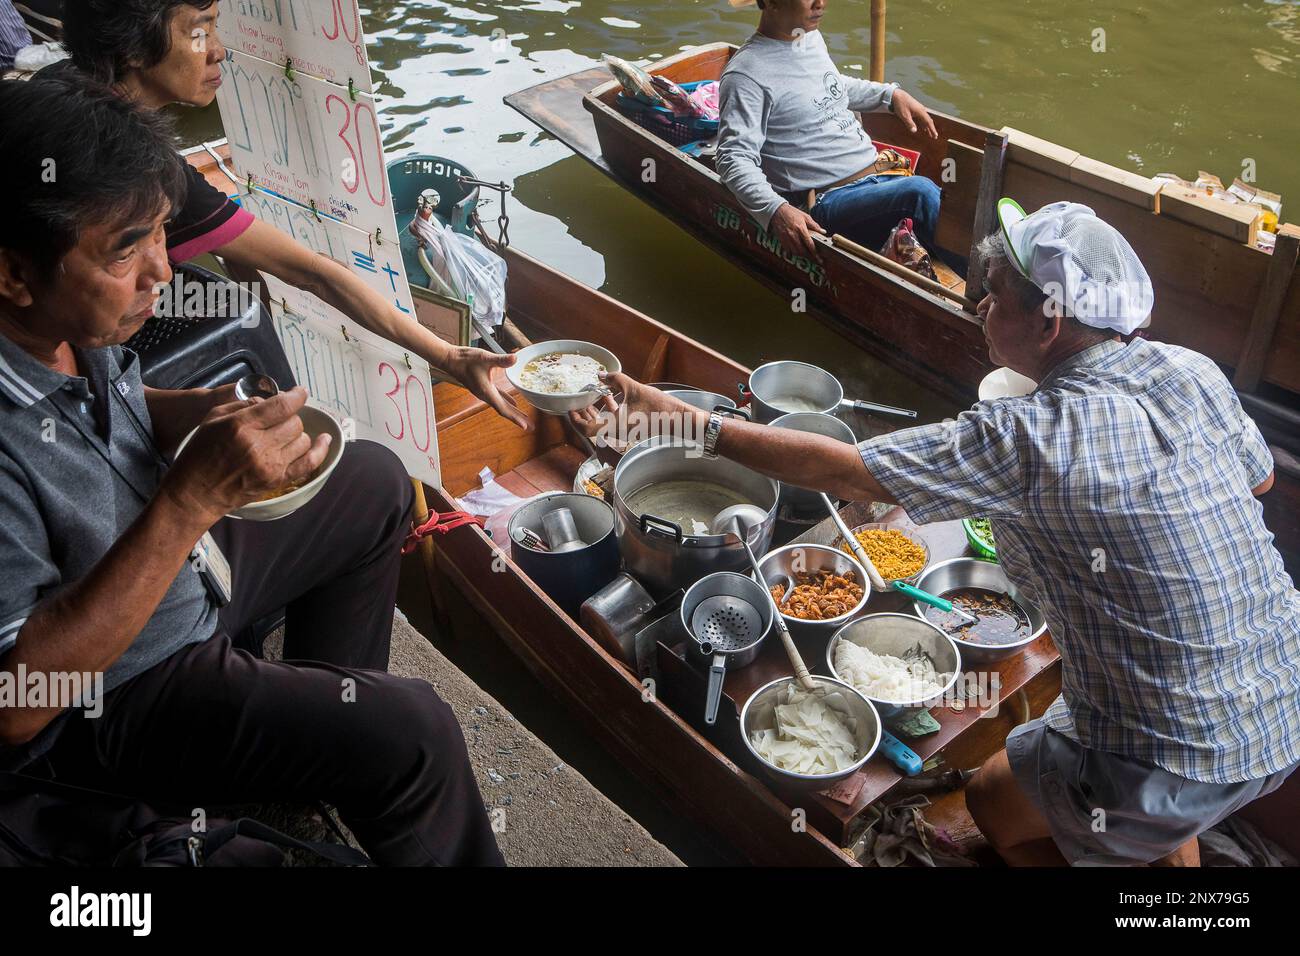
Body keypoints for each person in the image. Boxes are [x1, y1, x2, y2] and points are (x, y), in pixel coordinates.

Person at [579, 199, 1300, 866]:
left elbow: (847, 471)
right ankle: (1154, 833)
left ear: (1050, 323)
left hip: (1168, 747)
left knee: (992, 799)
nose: (980, 305)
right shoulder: (1191, 370)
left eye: (994, 294)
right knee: (1152, 803)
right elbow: (1259, 480)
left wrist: (674, 419)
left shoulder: (1030, 433)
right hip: (1282, 700)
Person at [0, 75, 503, 866]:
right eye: (125, 250)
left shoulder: (58, 331)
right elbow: (17, 708)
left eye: (161, 235)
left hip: (179, 584)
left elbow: (111, 405)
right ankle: (348, 745)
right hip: (115, 695)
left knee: (372, 480)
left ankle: (318, 745)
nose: (161, 273)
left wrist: (196, 413)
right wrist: (189, 501)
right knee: (416, 733)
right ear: (14, 274)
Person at [53, 0, 529, 431]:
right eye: (200, 33)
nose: (220, 52)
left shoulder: (55, 92)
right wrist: (447, 353)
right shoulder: (147, 170)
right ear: (132, 48)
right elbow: (314, 274)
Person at [718, 0, 941, 257]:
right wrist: (776, 210)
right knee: (920, 193)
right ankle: (990, 289)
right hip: (828, 200)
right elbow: (733, 158)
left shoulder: (809, 38)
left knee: (957, 206)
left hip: (877, 174)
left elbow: (832, 87)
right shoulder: (745, 75)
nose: (820, 3)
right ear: (770, 2)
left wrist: (890, 95)